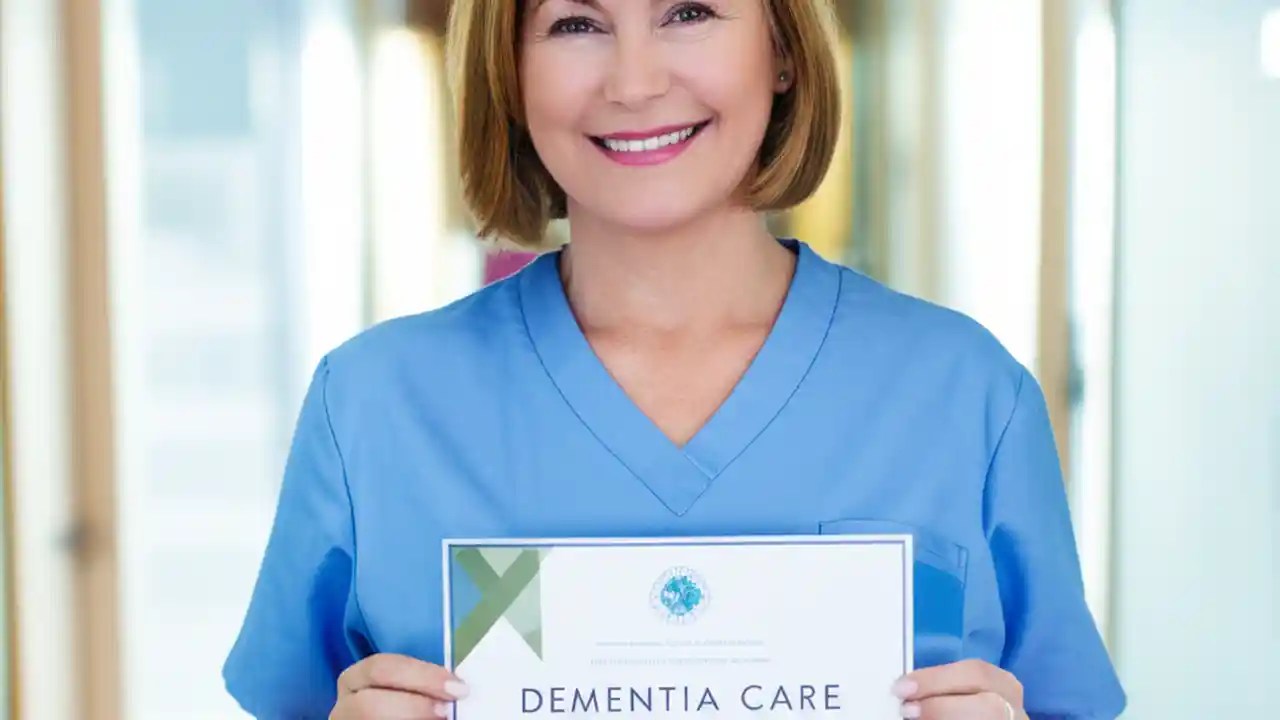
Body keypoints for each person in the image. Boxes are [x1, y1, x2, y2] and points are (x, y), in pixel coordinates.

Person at [223, 0, 1127, 718]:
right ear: (510, 71)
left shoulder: (964, 394)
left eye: (689, 11)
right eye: (575, 24)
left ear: (782, 48)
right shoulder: (375, 404)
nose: (635, 81)